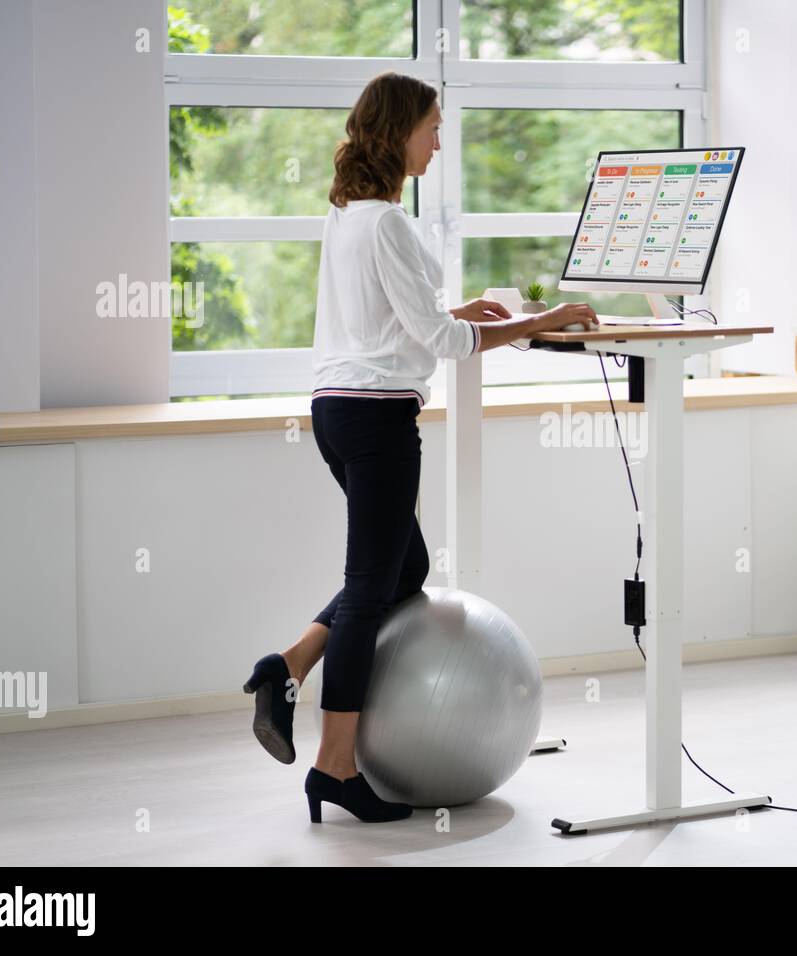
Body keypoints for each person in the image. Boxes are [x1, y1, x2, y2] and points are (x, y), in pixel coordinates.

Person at [242, 71, 598, 823]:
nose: (440, 141)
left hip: (335, 411)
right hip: (377, 421)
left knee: (402, 570)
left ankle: (289, 664)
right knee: (373, 587)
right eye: (433, 127)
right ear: (399, 130)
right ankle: (335, 768)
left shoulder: (348, 215)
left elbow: (392, 318)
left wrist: (457, 310)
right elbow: (441, 343)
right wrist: (541, 319)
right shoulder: (387, 222)